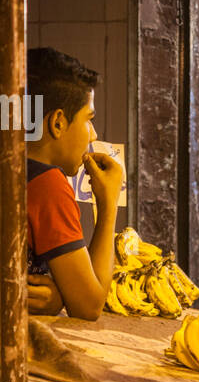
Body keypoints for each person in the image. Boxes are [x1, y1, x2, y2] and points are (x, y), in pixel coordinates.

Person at [25, 47, 124, 320]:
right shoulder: (47, 185)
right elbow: (89, 306)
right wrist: (108, 206)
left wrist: (59, 295)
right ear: (58, 122)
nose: (93, 134)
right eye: (89, 119)